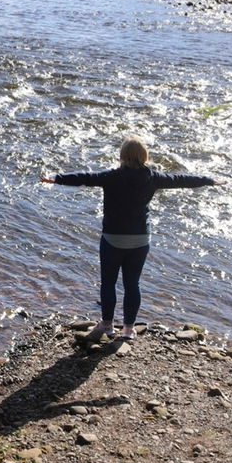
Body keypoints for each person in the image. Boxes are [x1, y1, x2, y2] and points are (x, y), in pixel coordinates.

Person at [40, 136, 219, 340]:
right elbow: (182, 180)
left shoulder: (112, 176)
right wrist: (209, 180)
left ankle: (107, 325)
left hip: (113, 238)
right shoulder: (154, 177)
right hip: (140, 239)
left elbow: (85, 177)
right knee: (132, 284)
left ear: (122, 156)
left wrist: (56, 178)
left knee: (108, 283)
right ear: (145, 156)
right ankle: (128, 329)